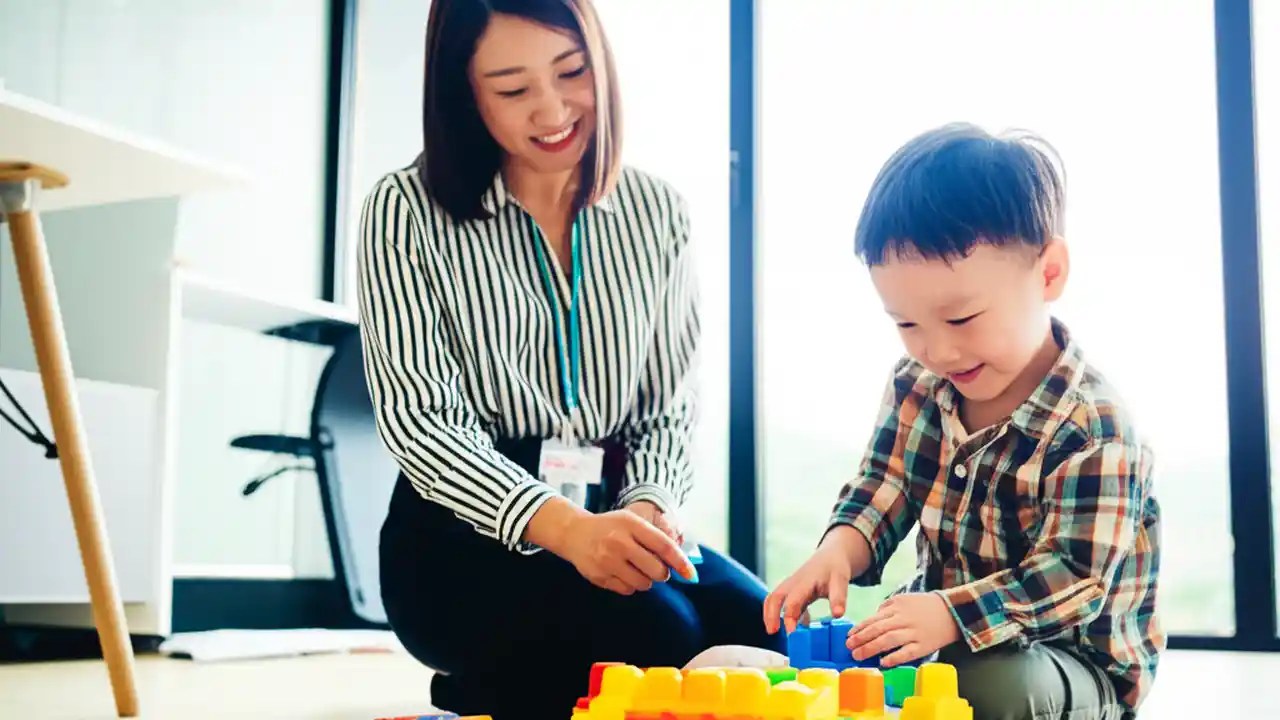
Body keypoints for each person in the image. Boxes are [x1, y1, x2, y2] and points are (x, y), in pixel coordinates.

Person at [356, 1, 782, 718]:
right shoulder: (403, 209)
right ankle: (482, 687)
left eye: (571, 71)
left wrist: (648, 506)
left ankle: (509, 687)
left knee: (765, 628)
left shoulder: (657, 212)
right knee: (659, 645)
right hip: (463, 531)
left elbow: (668, 408)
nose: (553, 110)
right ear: (465, 92)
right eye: (513, 88)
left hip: (611, 504)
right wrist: (566, 530)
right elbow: (422, 424)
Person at [763, 124, 1163, 720]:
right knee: (858, 666)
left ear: (1048, 274)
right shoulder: (918, 384)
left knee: (989, 684)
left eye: (961, 319)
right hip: (946, 644)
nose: (937, 351)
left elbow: (1074, 578)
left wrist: (952, 614)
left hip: (1068, 665)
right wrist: (839, 550)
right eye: (906, 324)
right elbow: (886, 485)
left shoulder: (1093, 426)